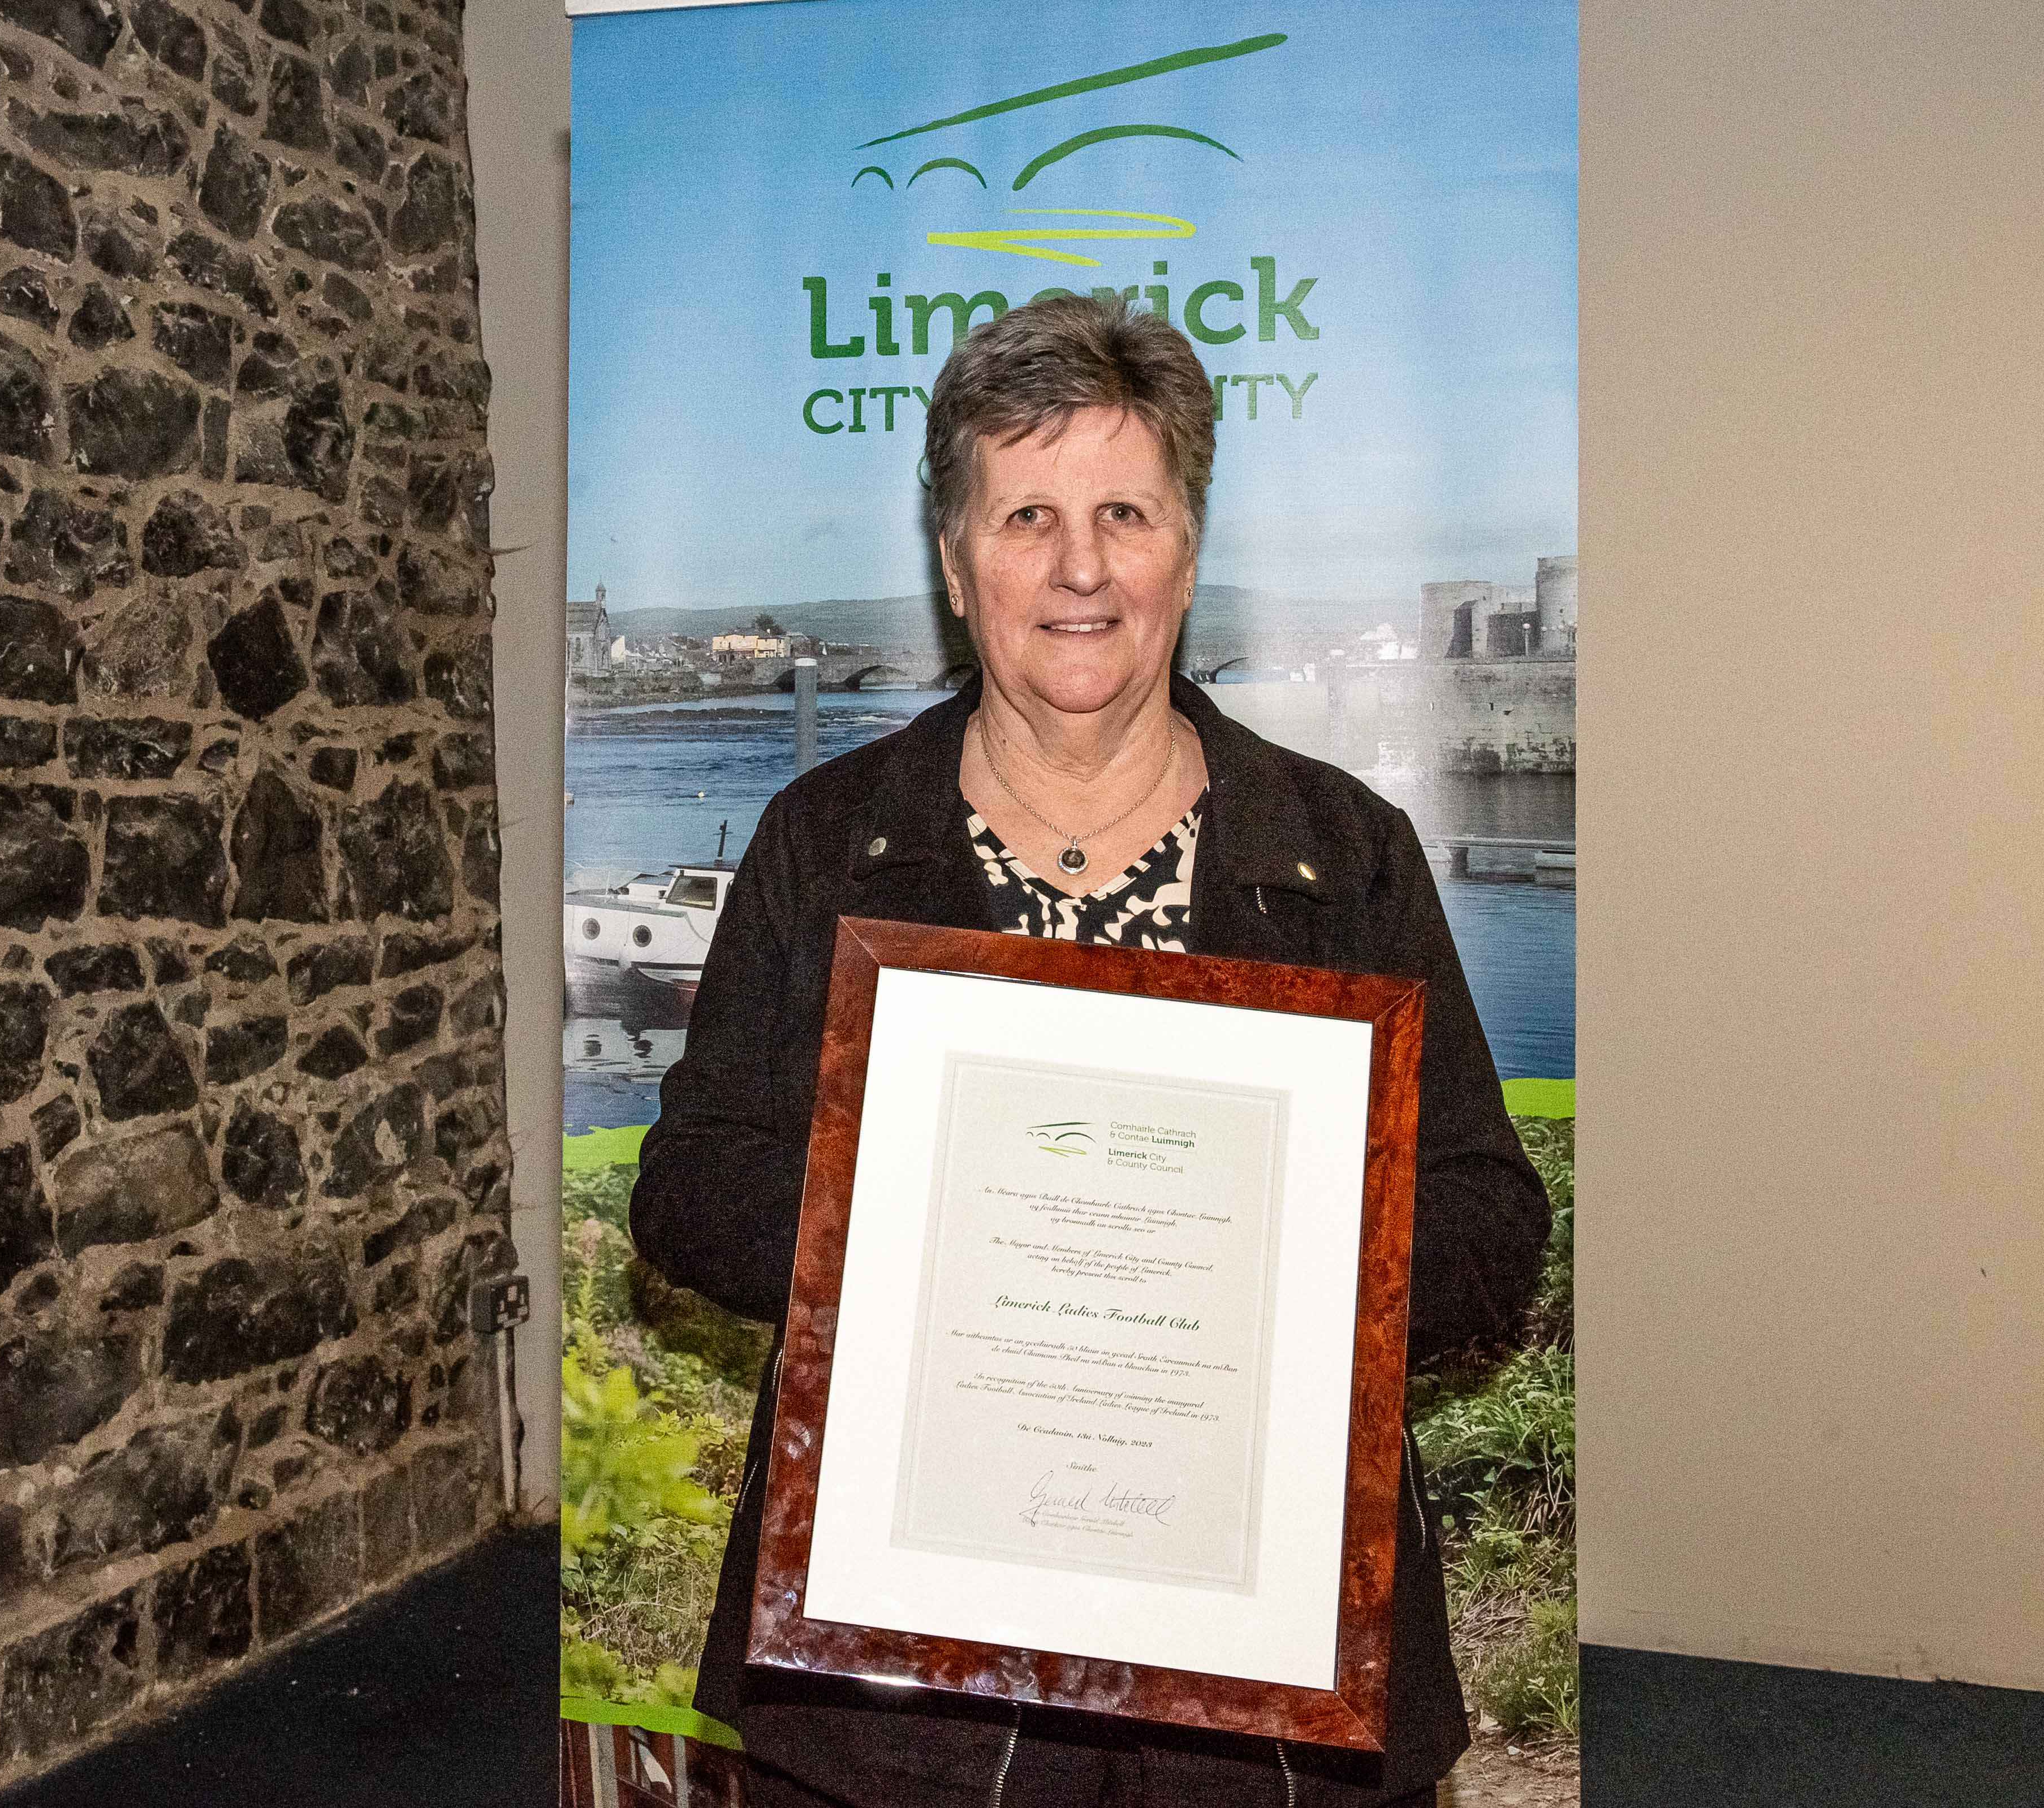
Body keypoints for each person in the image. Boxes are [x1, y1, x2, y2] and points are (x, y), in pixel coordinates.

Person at [628, 296, 1551, 1807]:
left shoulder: (1346, 853)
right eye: (1027, 517)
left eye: (1125, 512)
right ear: (954, 563)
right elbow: (690, 1187)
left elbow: (1489, 1221)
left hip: (1265, 1686)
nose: (1080, 567)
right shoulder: (825, 842)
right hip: (903, 1696)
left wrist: (1268, 1282)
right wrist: (927, 1249)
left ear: (1186, 545)